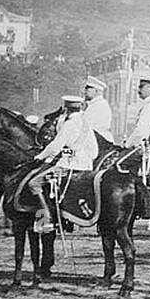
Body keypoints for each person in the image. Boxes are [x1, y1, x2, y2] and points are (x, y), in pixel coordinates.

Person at [27, 95, 97, 232]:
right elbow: (94, 151)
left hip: (68, 166)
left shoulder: (69, 124)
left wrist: (40, 156)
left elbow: (56, 146)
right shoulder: (85, 123)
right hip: (86, 166)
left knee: (34, 183)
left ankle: (45, 219)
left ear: (67, 109)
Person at [82, 76, 113, 142]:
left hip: (100, 141)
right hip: (96, 139)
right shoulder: (94, 105)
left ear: (96, 90)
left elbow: (86, 127)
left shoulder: (100, 105)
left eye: (87, 89)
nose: (84, 92)